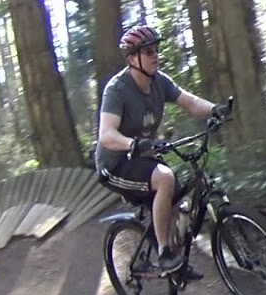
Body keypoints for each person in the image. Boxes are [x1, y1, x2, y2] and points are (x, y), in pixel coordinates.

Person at [96, 25, 228, 275]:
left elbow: (190, 102)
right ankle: (165, 253)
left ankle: (175, 262)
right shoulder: (117, 89)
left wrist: (215, 109)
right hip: (115, 164)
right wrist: (133, 143)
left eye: (156, 50)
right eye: (148, 52)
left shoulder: (159, 81)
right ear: (133, 58)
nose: (155, 56)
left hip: (143, 157)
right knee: (165, 179)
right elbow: (107, 135)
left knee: (178, 199)